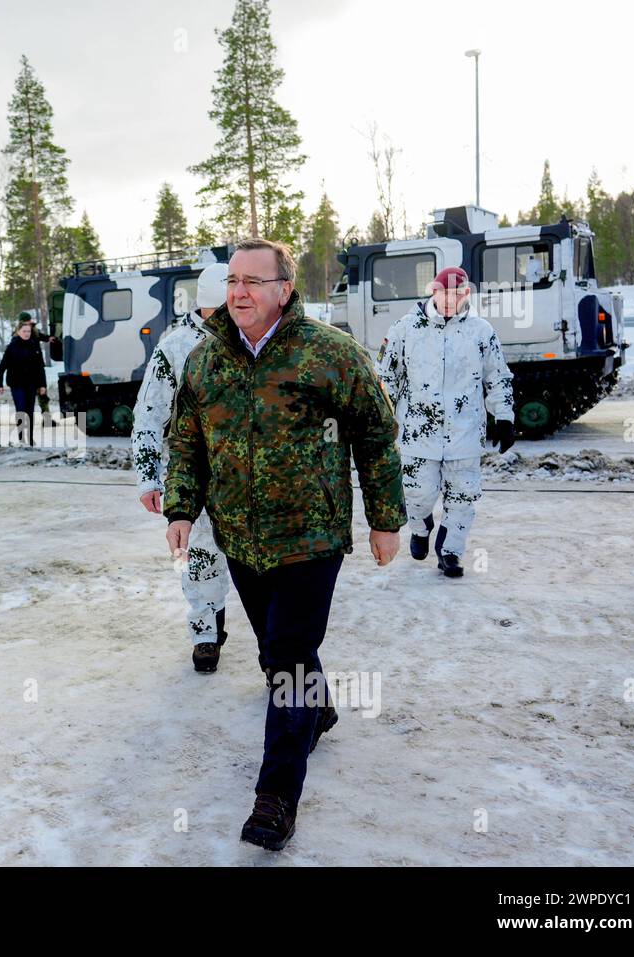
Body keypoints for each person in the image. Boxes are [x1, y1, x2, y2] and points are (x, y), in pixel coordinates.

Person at [164, 239, 406, 850]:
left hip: (310, 537)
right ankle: (317, 709)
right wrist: (181, 508)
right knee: (279, 653)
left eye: (252, 282)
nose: (238, 293)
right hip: (242, 539)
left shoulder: (329, 355)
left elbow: (376, 433)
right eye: (232, 282)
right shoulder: (205, 361)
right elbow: (187, 441)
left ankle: (274, 799)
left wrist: (384, 519)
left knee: (290, 659)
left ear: (283, 289)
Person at [134, 261, 257, 675]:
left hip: (249, 477)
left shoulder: (256, 341)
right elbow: (148, 418)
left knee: (259, 566)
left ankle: (275, 646)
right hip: (192, 476)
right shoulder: (174, 347)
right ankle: (205, 631)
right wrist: (149, 478)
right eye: (216, 311)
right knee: (198, 557)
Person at [377, 265, 515, 577]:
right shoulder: (406, 328)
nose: (450, 300)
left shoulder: (481, 332)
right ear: (433, 292)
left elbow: (498, 376)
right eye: (444, 293)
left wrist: (504, 417)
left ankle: (450, 551)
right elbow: (387, 377)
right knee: (415, 493)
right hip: (416, 433)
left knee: (463, 495)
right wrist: (382, 420)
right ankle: (420, 524)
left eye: (457, 294)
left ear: (467, 295)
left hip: (464, 432)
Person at [0, 317, 48, 445]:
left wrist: (42, 385)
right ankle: (21, 437)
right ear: (18, 332)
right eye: (24, 331)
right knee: (21, 409)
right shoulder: (12, 347)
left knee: (30, 411)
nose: (26, 334)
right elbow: (2, 366)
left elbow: (40, 367)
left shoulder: (34, 346)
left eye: (29, 331)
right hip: (16, 383)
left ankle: (30, 438)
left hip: (31, 383)